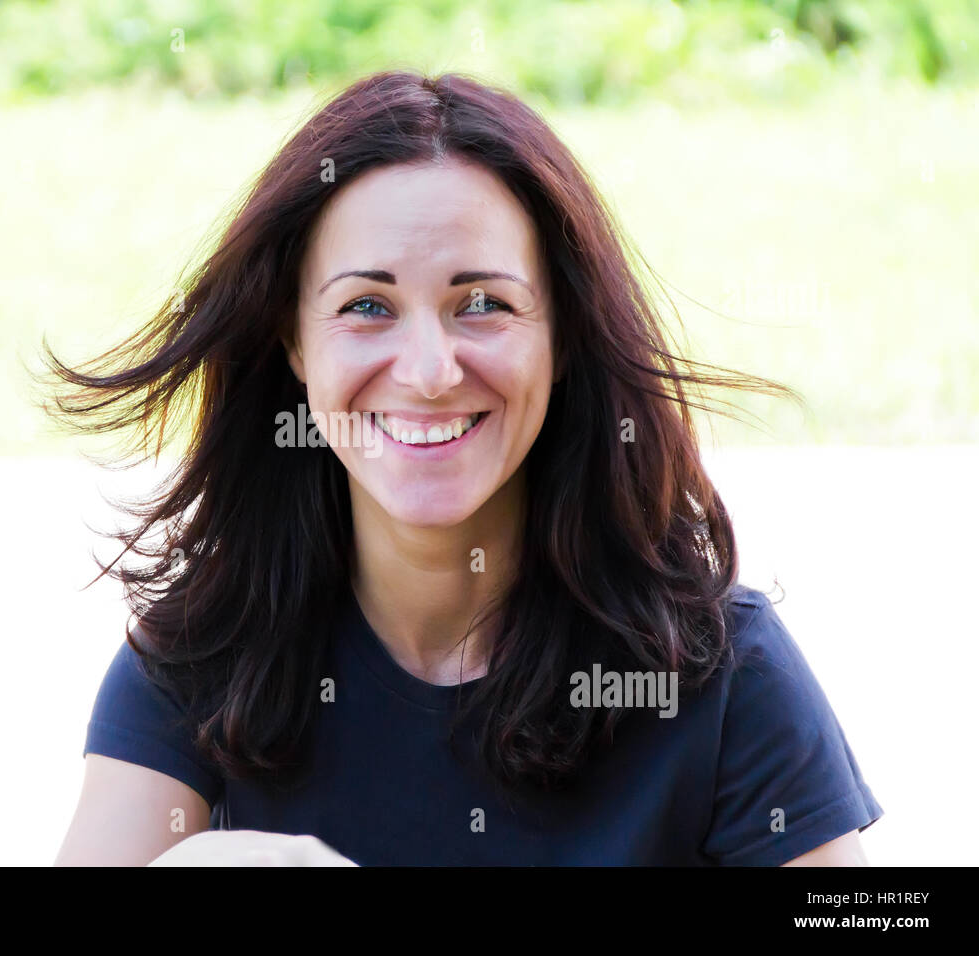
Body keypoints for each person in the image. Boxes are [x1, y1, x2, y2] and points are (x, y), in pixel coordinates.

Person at [46, 70, 882, 866]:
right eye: (365, 307)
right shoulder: (203, 655)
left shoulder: (719, 671)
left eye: (482, 304)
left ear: (563, 340)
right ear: (293, 343)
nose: (430, 370)